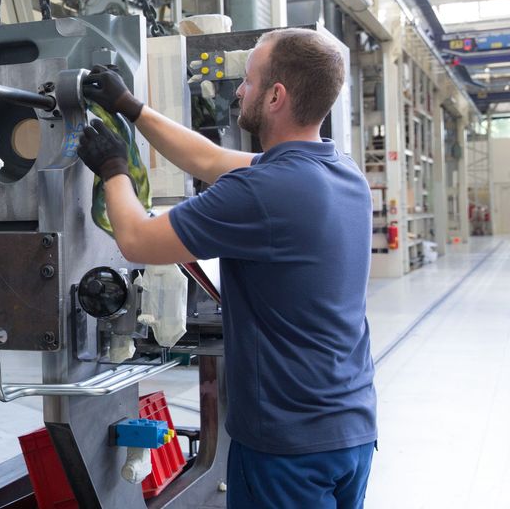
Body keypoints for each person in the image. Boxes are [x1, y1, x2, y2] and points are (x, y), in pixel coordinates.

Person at [76, 28, 377, 509]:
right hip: (351, 428)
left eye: (250, 81)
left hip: (286, 444)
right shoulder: (341, 171)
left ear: (276, 96)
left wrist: (114, 169)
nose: (238, 91)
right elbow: (209, 159)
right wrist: (132, 107)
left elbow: (135, 240)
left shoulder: (263, 192)